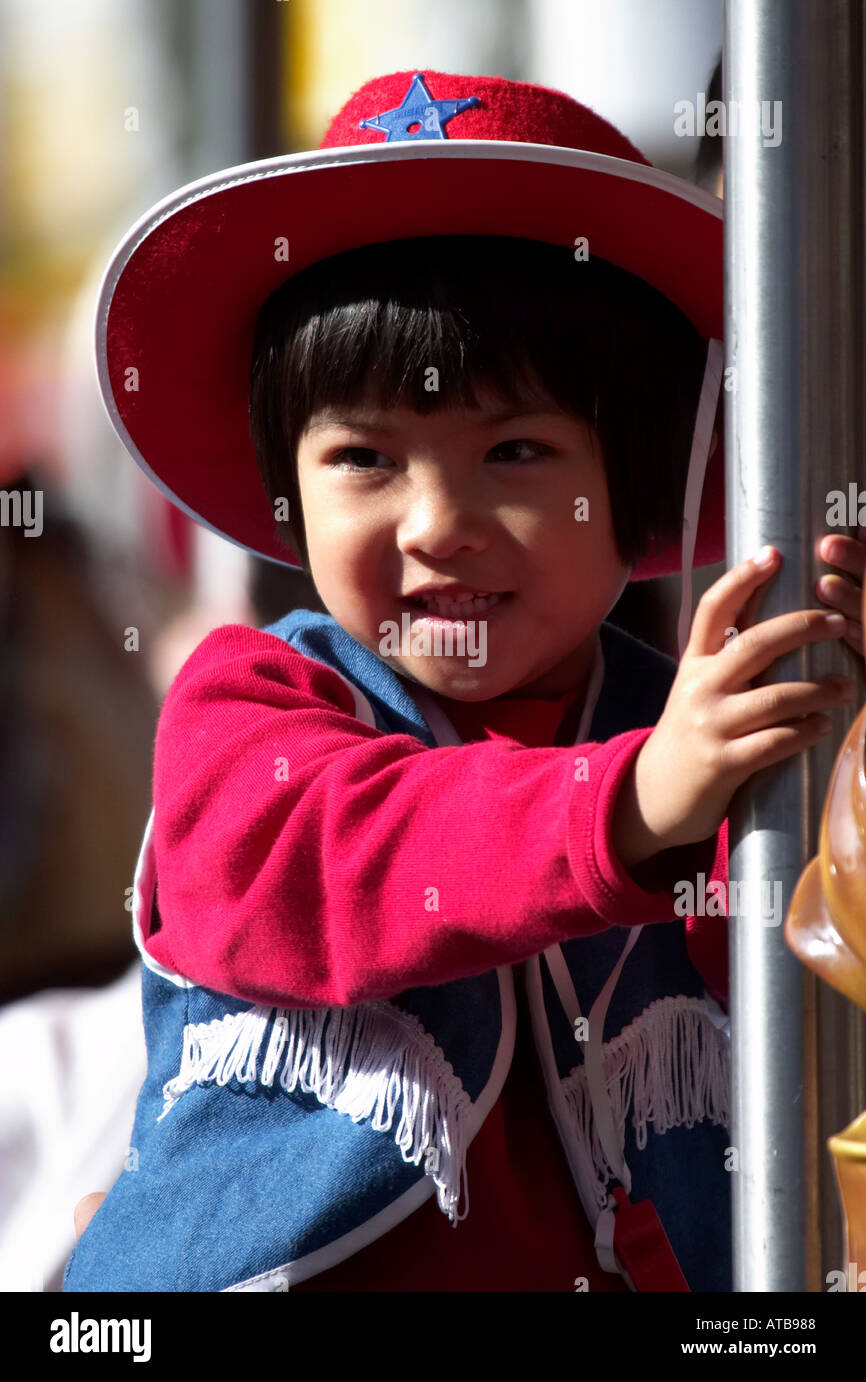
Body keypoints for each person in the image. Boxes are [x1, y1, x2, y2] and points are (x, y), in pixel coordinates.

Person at [63, 69, 865, 1293]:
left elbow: (819, 961)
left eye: (514, 450)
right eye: (363, 459)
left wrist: (841, 731)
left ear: (637, 481)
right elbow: (344, 853)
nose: (436, 523)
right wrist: (632, 800)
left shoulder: (688, 725)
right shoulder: (248, 707)